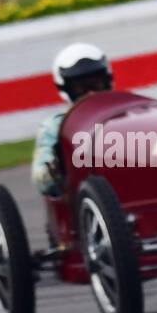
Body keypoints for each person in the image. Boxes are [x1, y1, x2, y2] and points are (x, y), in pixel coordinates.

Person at [30, 43, 113, 198]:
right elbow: (41, 180)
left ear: (107, 81)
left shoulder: (127, 112)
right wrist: (55, 168)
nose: (91, 93)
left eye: (96, 84)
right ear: (66, 90)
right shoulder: (54, 127)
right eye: (80, 89)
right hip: (82, 199)